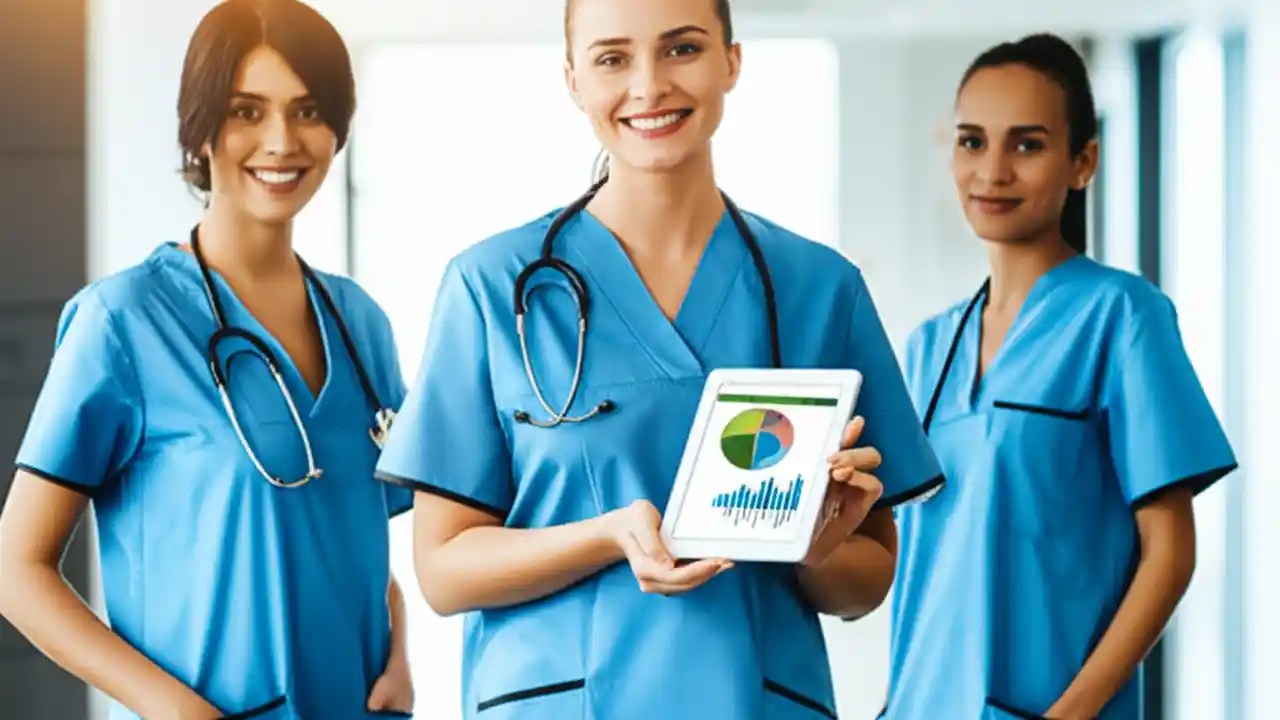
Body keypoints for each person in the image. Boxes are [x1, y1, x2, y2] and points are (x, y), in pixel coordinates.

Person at [373, 0, 942, 718]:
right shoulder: (492, 286)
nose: (649, 87)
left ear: (731, 61)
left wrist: (814, 546)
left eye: (682, 49)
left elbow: (867, 583)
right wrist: (608, 536)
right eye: (613, 58)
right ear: (573, 79)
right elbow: (444, 571)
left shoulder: (820, 290)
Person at [0, 1, 415, 718]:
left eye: (308, 109)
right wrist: (177, 710)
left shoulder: (360, 324)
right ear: (200, 127)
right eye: (246, 111)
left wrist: (400, 658)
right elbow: (16, 574)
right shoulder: (124, 322)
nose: (281, 141)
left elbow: (346, 536)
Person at [883, 33, 1237, 720]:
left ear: (1083, 162)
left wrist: (1069, 715)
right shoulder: (927, 347)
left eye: (1027, 144)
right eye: (971, 141)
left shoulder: (1122, 315)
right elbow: (915, 560)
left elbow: (1169, 552)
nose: (992, 171)